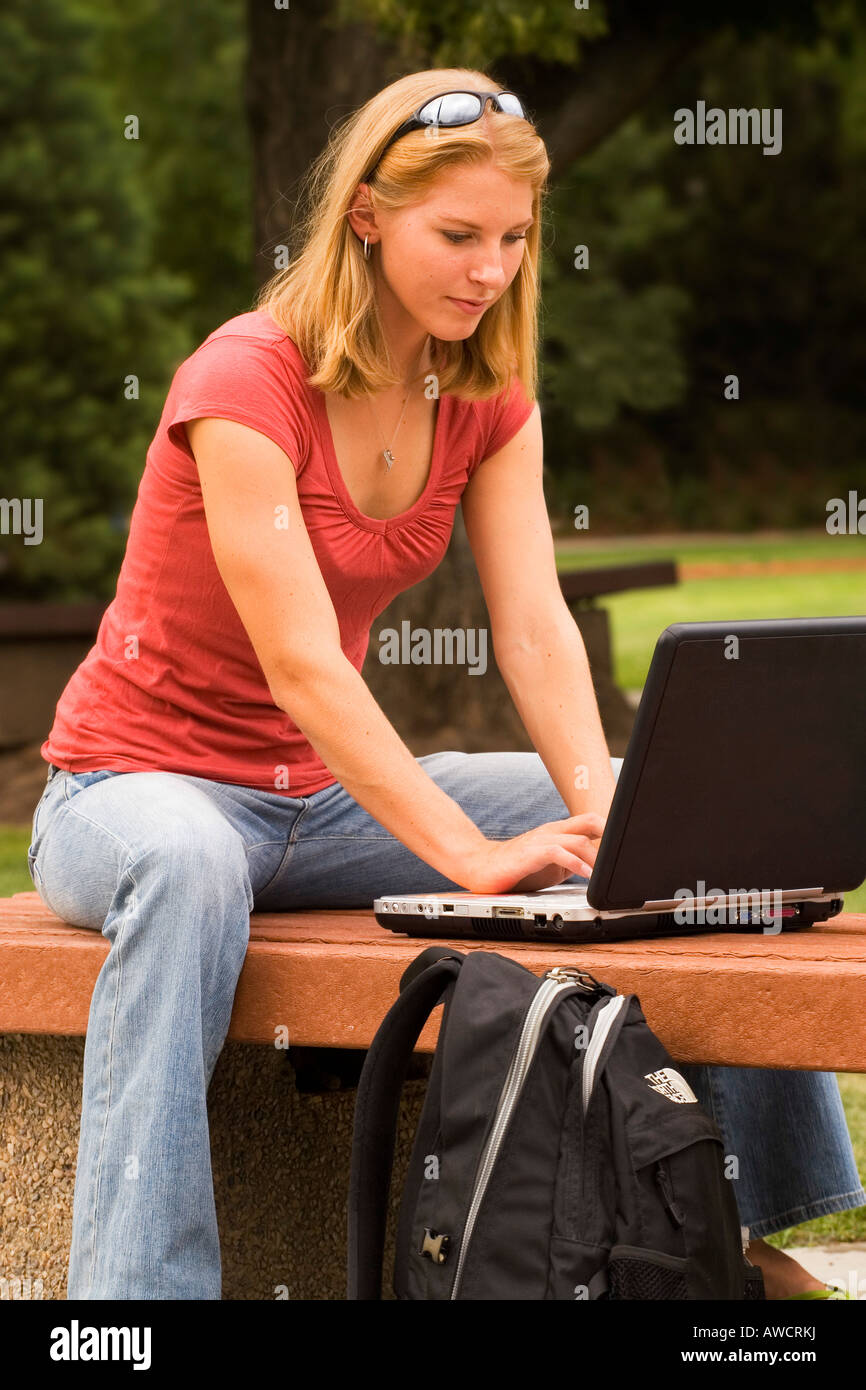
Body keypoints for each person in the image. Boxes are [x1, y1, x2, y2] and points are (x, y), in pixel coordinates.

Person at [28, 67, 863, 1300]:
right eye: (456, 235)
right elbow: (301, 660)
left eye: (513, 238)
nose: (488, 268)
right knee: (194, 864)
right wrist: (465, 852)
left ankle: (733, 1235)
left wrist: (596, 809)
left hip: (311, 802)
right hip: (132, 791)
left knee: (659, 814)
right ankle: (132, 1305)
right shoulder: (243, 382)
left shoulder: (480, 392)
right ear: (365, 215)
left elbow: (532, 628)